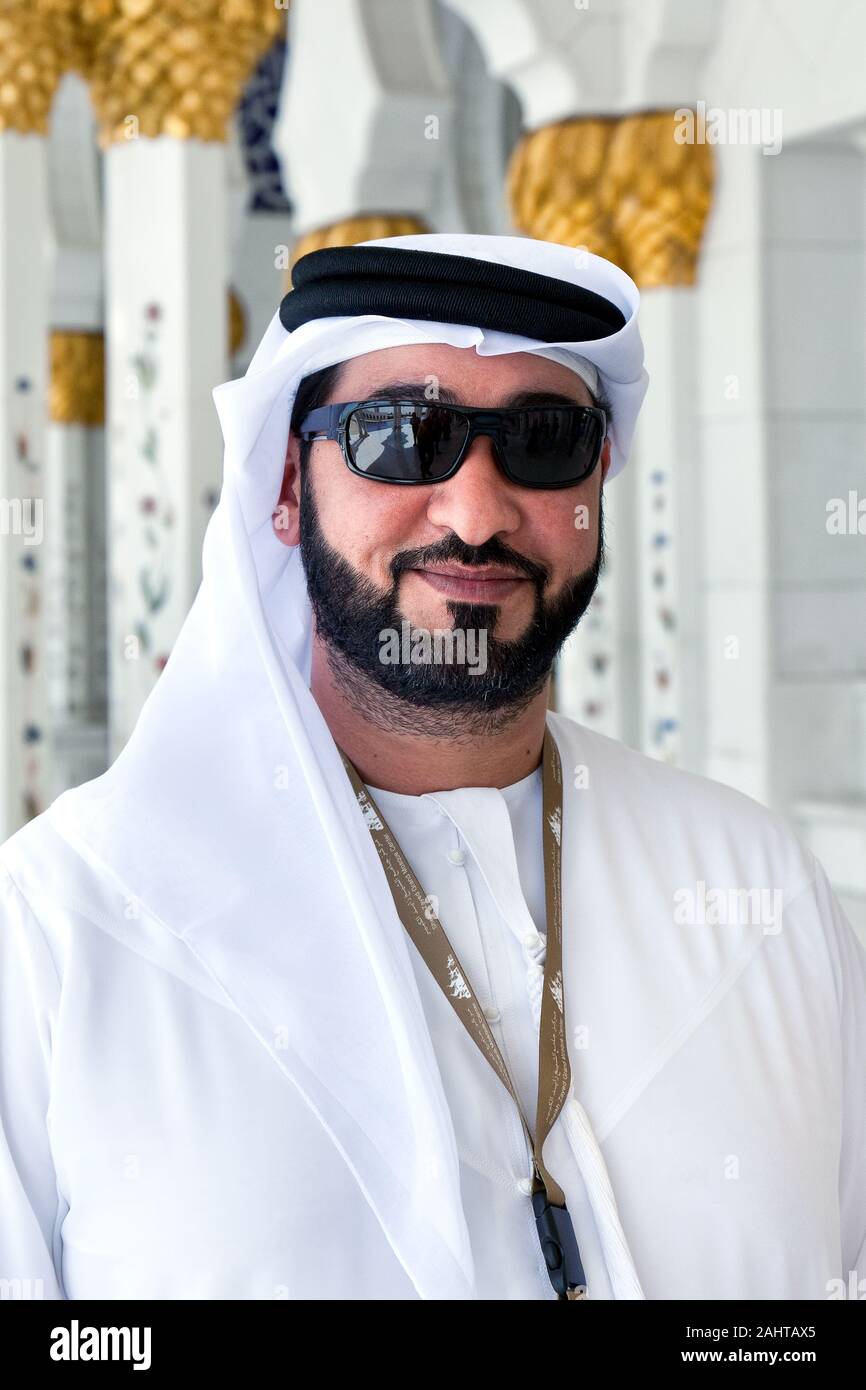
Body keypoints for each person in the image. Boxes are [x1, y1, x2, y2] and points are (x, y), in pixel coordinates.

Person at [0, 233, 863, 1302]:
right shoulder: (64, 928)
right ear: (284, 481)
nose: (473, 511)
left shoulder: (761, 894)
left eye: (542, 440)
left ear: (595, 481)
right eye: (402, 436)